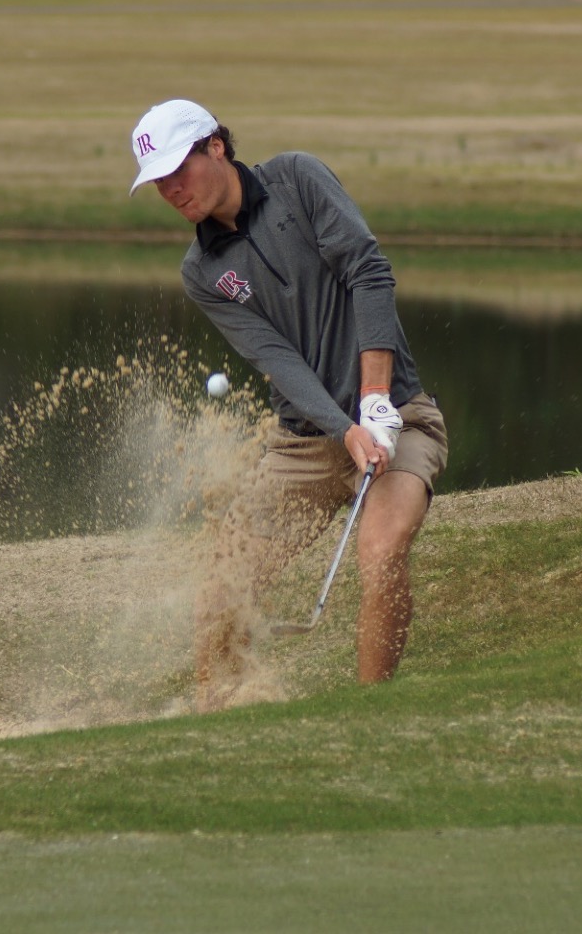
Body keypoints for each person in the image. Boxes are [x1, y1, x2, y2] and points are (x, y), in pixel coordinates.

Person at [127, 98, 449, 707]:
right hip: (303, 442)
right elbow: (279, 360)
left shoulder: (297, 179)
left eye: (177, 169)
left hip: (400, 417)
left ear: (215, 147)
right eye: (157, 182)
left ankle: (368, 715)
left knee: (381, 552)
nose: (170, 190)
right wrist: (344, 428)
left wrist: (375, 400)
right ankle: (214, 718)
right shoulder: (202, 271)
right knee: (219, 591)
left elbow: (369, 272)